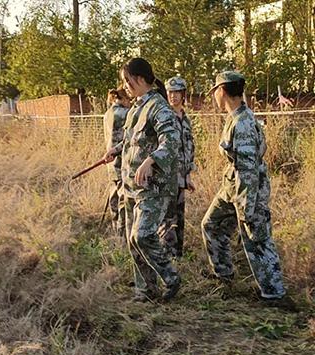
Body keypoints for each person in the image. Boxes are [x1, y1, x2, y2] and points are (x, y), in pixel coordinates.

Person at [201, 71, 290, 307]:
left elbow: (248, 170)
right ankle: (224, 274)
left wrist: (248, 206)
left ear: (222, 91)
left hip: (247, 190)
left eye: (215, 92)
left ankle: (275, 295)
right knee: (211, 225)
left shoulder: (242, 124)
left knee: (257, 237)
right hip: (232, 188)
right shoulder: (235, 117)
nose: (214, 97)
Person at [100, 58, 182, 302]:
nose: (125, 85)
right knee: (131, 241)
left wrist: (151, 161)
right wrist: (115, 149)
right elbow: (132, 140)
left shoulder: (160, 107)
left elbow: (172, 142)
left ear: (142, 78)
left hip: (153, 187)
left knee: (142, 235)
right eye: (124, 81)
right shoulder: (136, 108)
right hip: (130, 186)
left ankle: (171, 278)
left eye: (128, 80)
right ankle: (145, 290)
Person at [158, 77, 196, 258]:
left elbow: (189, 148)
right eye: (170, 92)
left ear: (183, 94)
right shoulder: (164, 117)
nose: (173, 96)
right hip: (166, 176)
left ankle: (178, 255)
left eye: (177, 92)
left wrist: (188, 175)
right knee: (167, 219)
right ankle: (167, 258)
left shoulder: (185, 119)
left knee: (179, 218)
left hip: (181, 177)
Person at [103, 86, 131, 239]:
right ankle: (122, 235)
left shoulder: (107, 113)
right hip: (122, 163)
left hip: (111, 164)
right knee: (123, 200)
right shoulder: (124, 114)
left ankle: (115, 232)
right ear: (124, 99)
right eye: (130, 100)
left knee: (113, 197)